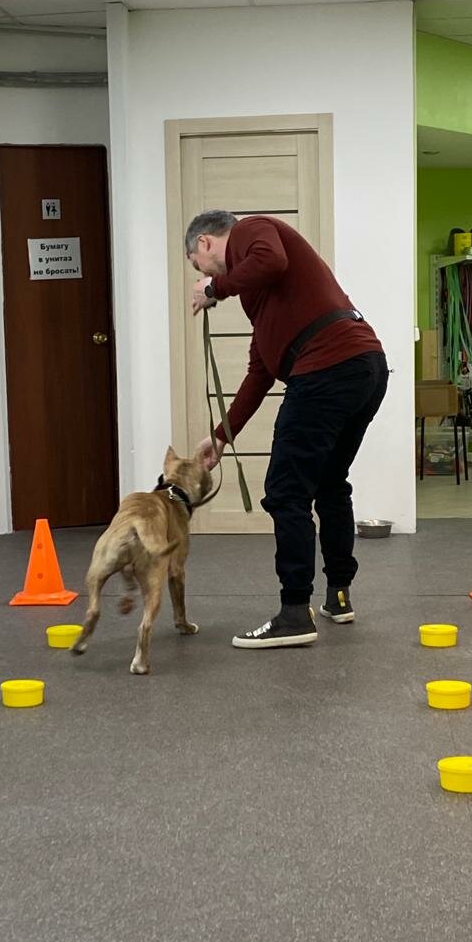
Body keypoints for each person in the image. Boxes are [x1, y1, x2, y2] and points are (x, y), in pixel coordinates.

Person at [186, 210, 388, 648]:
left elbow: (270, 259)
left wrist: (213, 288)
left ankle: (295, 612)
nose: (201, 276)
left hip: (328, 369)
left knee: (285, 492)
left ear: (204, 244)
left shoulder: (250, 231)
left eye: (195, 266)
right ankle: (338, 595)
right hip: (363, 367)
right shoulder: (258, 294)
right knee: (330, 483)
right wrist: (221, 436)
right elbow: (261, 370)